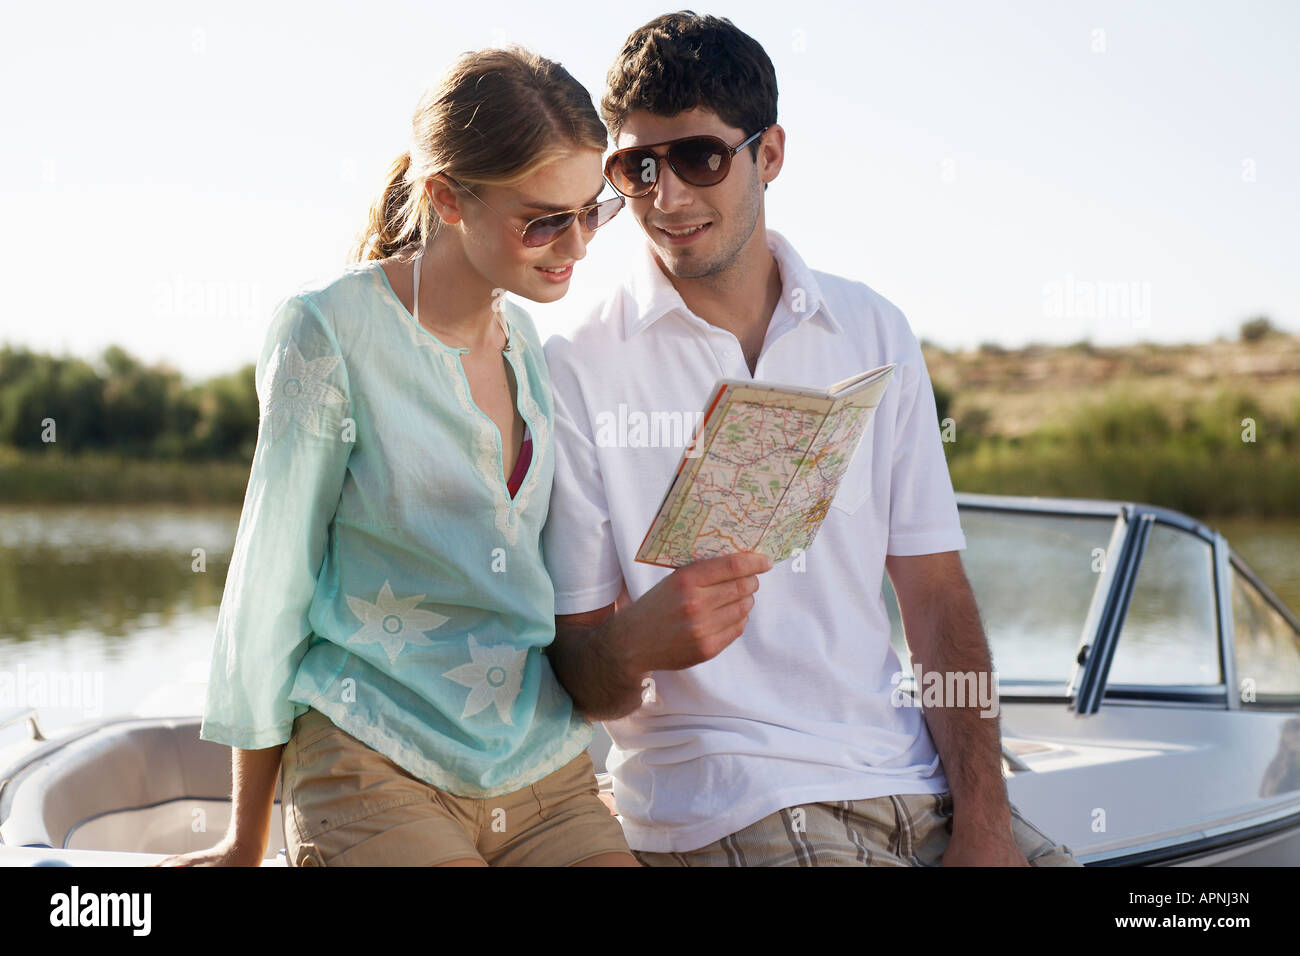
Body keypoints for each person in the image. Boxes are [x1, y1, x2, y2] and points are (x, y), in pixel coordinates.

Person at [541, 12, 1083, 867]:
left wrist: (984, 820)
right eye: (637, 167)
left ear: (771, 154)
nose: (667, 196)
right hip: (729, 801)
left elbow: (936, 598)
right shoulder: (576, 363)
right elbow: (580, 670)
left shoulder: (873, 329)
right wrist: (638, 643)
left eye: (700, 158)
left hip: (913, 781)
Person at [158, 46, 638, 867]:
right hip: (368, 753)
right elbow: (270, 584)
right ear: (448, 199)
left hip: (540, 765)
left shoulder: (528, 341)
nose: (577, 245)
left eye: (591, 211)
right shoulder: (328, 332)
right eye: (544, 219)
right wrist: (244, 841)